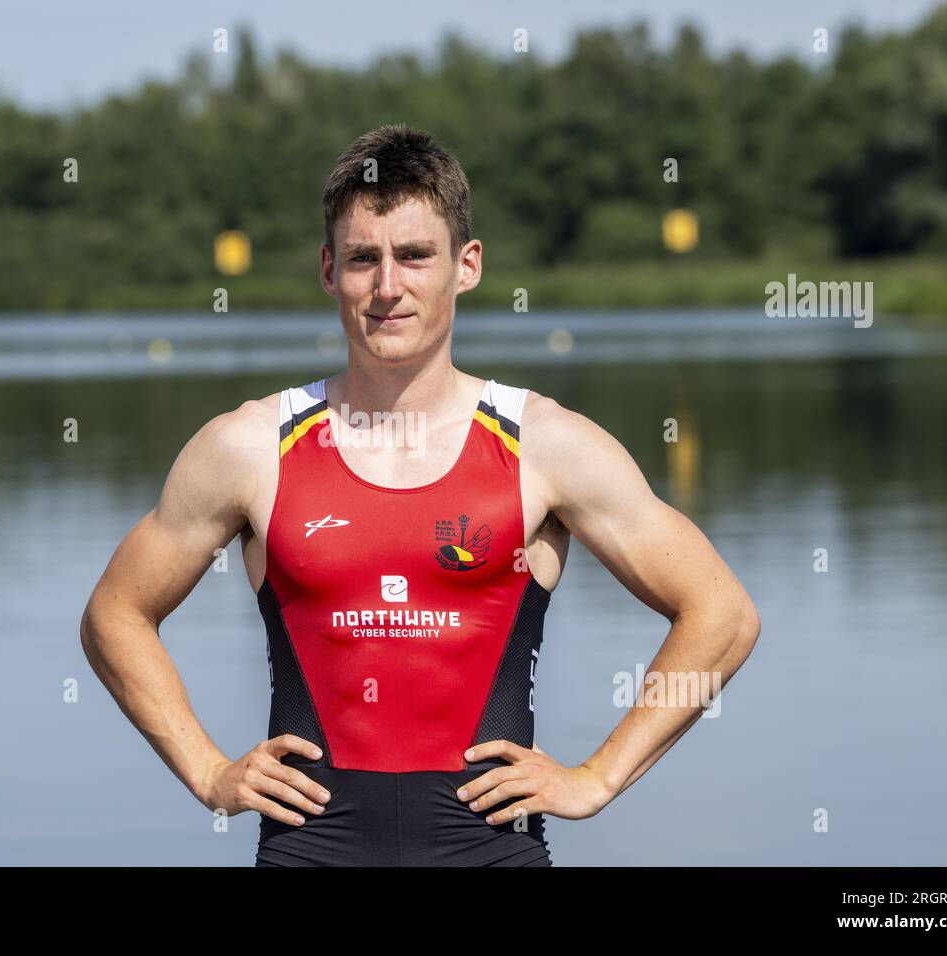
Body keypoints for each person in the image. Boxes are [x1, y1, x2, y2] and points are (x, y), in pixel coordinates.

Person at [80, 124, 761, 866]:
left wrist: (597, 778)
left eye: (414, 256)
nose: (388, 287)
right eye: (363, 259)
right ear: (327, 268)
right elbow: (115, 614)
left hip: (490, 850)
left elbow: (720, 614)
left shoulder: (544, 444)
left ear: (466, 266)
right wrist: (209, 771)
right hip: (312, 851)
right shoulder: (250, 447)